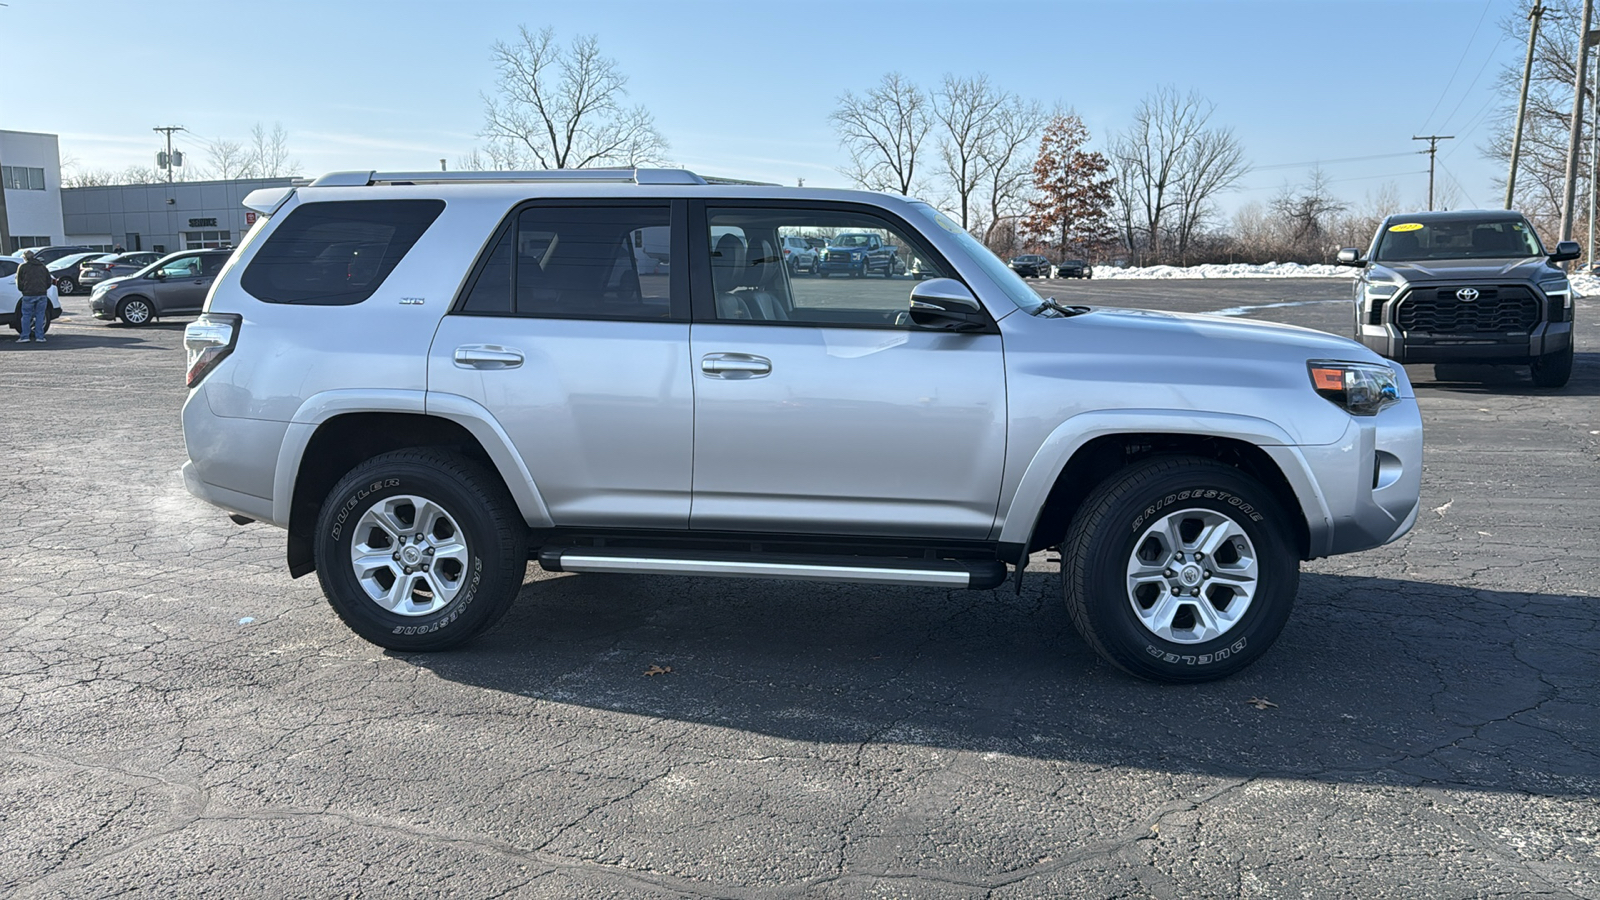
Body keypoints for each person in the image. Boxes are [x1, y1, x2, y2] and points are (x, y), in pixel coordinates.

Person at [15, 249, 52, 343]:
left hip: (28, 294)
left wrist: (23, 289)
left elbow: (19, 281)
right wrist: (44, 289)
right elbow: (49, 281)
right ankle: (40, 336)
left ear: (24, 258)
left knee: (26, 315)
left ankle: (25, 336)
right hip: (42, 294)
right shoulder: (42, 267)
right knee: (40, 315)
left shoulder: (23, 267)